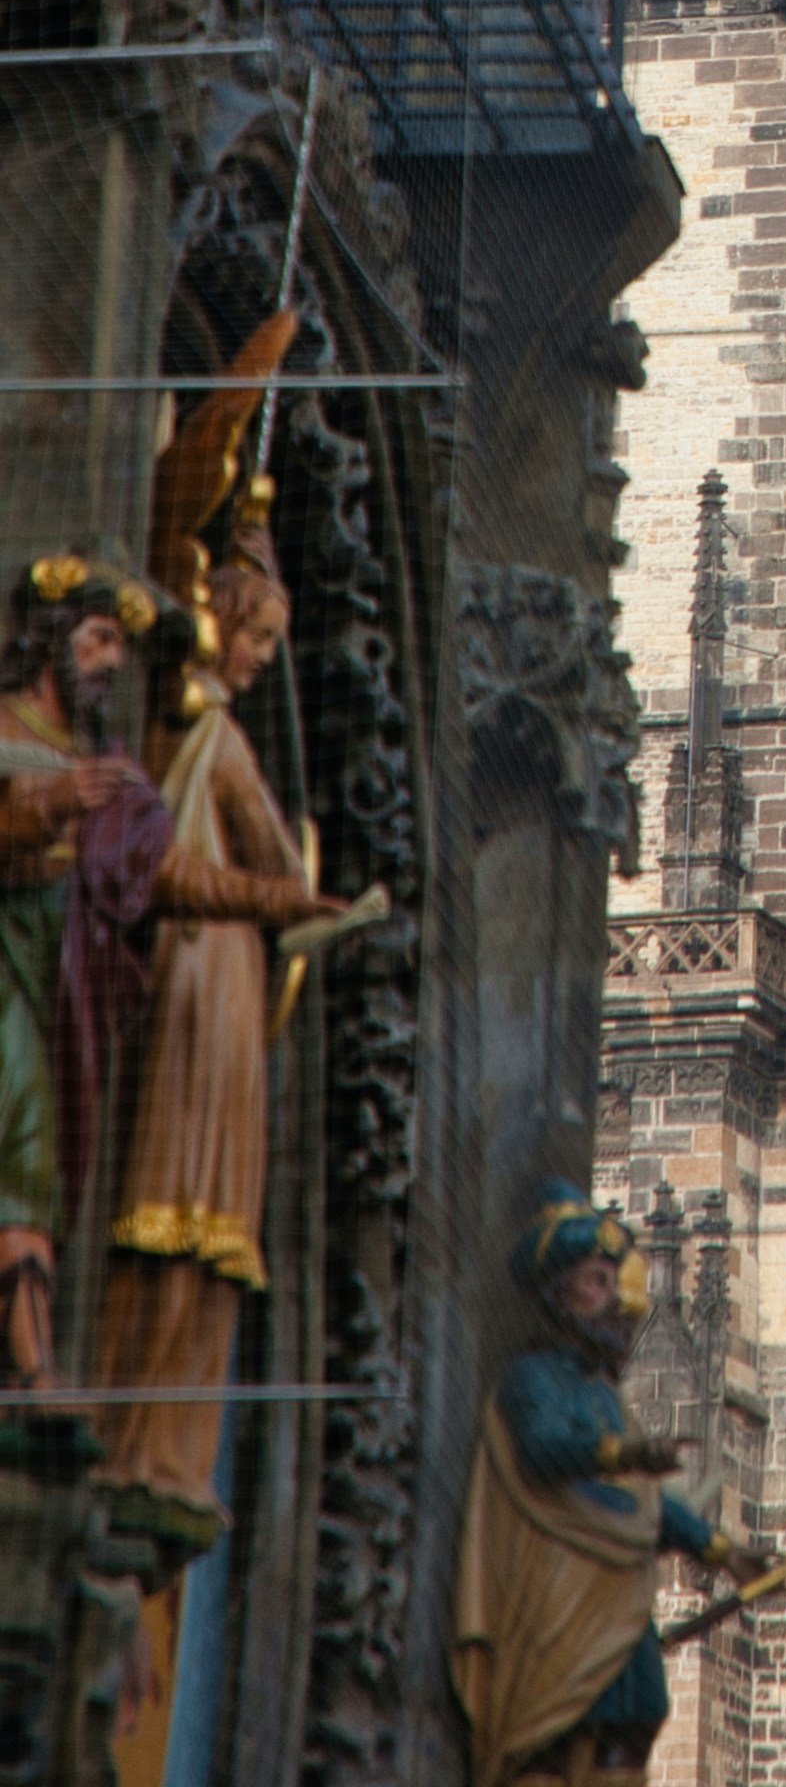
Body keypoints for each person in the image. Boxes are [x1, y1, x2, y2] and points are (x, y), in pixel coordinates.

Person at [96, 489, 332, 1537]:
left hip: (217, 986)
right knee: (186, 1217)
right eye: (264, 636)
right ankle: (152, 1441)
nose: (270, 658)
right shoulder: (211, 737)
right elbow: (274, 867)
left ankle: (158, 1440)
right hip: (204, 989)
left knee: (192, 1224)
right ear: (227, 624)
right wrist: (293, 894)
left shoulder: (202, 732)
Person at [455, 1191, 769, 1787]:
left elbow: (645, 1506)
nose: (620, 1302)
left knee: (634, 1722)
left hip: (614, 1593)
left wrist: (722, 1551)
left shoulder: (605, 1396)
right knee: (550, 1737)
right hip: (557, 1587)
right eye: (598, 1281)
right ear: (558, 1292)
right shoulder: (533, 1377)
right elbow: (542, 1453)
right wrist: (625, 1453)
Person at [0, 556, 153, 1381]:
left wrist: (277, 900)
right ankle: (32, 1374)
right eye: (98, 640)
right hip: (6, 977)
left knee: (45, 1174)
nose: (111, 661)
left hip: (63, 990)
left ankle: (34, 1371)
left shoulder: (98, 753)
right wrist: (61, 801)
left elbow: (161, 876)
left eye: (119, 645)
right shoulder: (8, 729)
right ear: (54, 639)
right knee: (18, 1165)